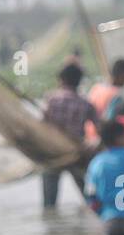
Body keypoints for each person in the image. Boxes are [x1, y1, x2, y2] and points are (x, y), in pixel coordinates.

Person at [40, 62, 98, 208]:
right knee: (89, 198)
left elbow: (42, 125)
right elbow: (101, 131)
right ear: (79, 81)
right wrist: (90, 147)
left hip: (53, 153)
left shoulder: (51, 100)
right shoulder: (85, 104)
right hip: (76, 153)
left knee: (49, 204)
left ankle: (51, 228)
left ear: (61, 80)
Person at [88, 58, 124, 124]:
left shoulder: (96, 87)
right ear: (123, 75)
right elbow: (110, 120)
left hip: (88, 130)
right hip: (103, 131)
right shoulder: (117, 95)